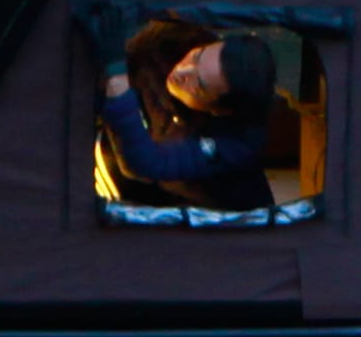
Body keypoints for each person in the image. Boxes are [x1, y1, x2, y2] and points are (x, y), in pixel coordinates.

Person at [98, 20, 286, 211]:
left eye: (199, 85)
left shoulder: (237, 142)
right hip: (138, 167)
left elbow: (148, 163)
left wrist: (118, 84)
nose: (182, 71)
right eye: (196, 57)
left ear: (219, 110)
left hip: (207, 216)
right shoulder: (172, 40)